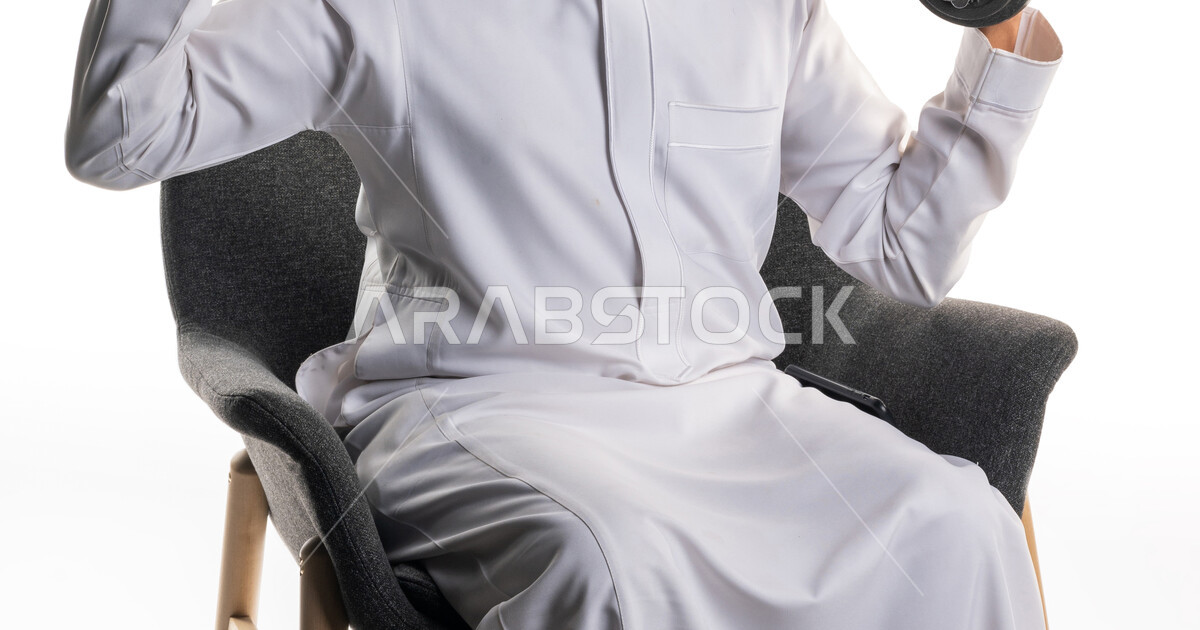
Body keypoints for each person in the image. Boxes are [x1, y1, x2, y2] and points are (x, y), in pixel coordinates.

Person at [65, 0, 1064, 628]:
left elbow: (906, 245)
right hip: (484, 408)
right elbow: (121, 134)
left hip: (733, 408)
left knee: (959, 529)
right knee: (602, 570)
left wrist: (1000, 27)